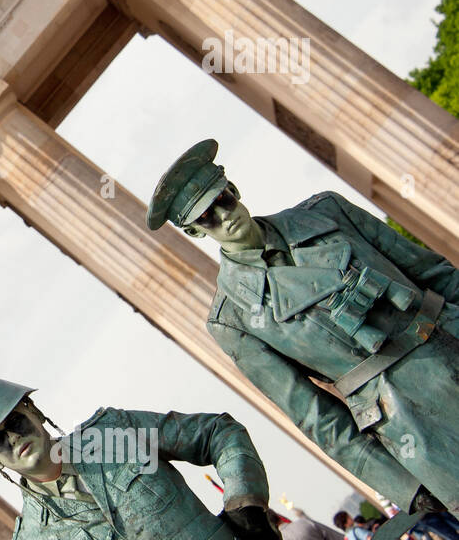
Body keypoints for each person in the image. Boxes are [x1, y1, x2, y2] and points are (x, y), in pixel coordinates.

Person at [146, 140, 459, 512]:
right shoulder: (232, 319)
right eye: (207, 217)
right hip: (416, 426)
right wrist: (403, 486)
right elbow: (313, 414)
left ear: (235, 190)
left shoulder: (328, 210)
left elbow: (432, 271)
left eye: (224, 200)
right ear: (196, 232)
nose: (224, 216)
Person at [0, 377, 338, 540]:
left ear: (33, 409)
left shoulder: (113, 433)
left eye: (16, 420)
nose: (14, 438)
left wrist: (245, 499)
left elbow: (217, 433)